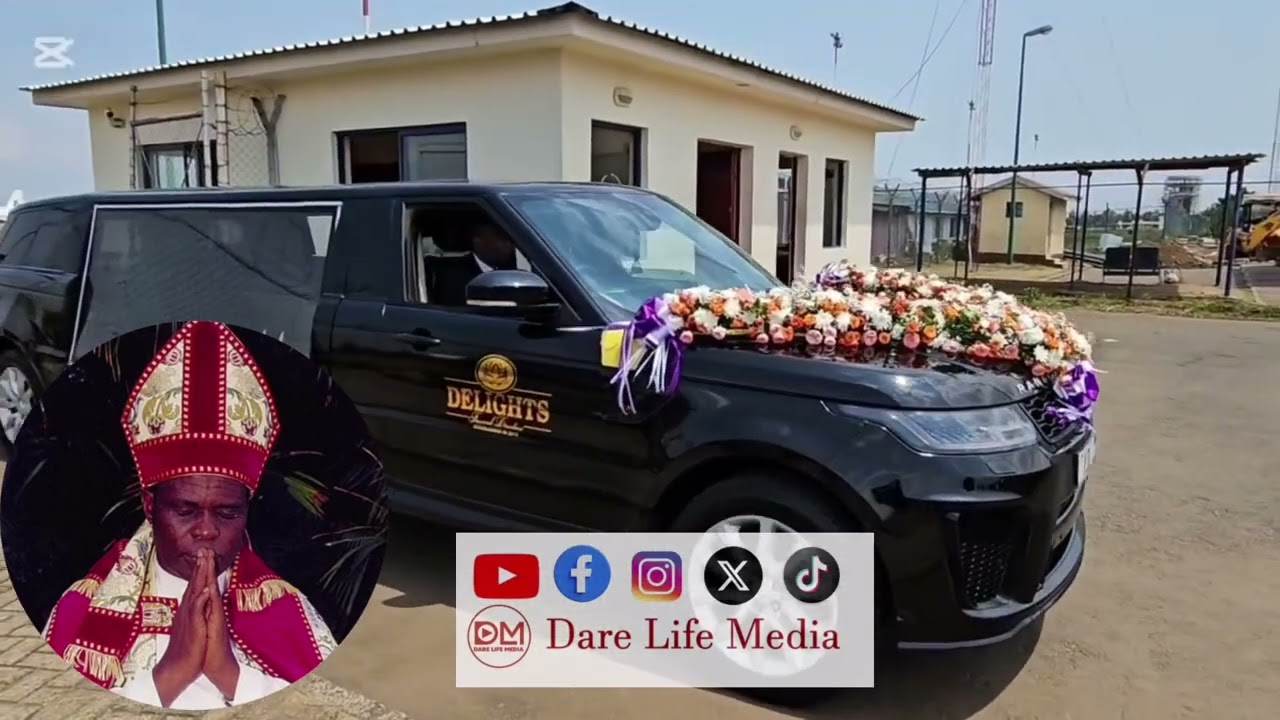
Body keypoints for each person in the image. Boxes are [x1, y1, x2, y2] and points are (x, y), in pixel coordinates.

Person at [42, 320, 336, 710]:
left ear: (248, 512)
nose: (206, 531)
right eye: (185, 510)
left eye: (228, 513)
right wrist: (172, 673)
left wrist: (230, 674)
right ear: (150, 506)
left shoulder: (289, 614)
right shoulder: (80, 610)